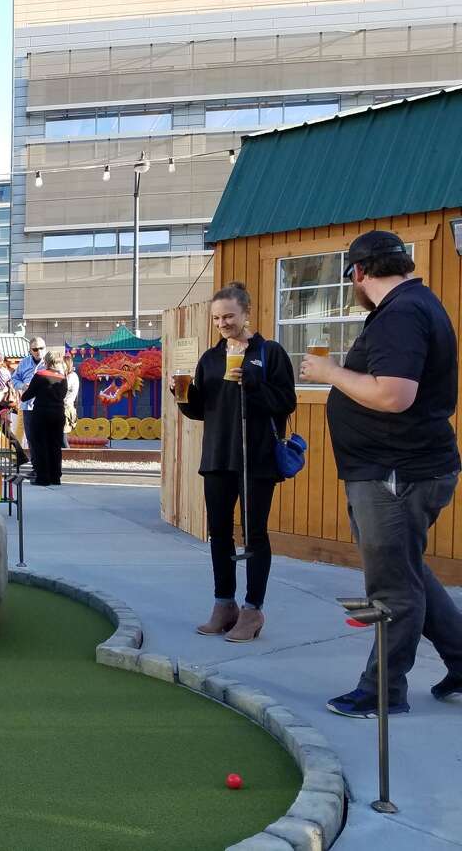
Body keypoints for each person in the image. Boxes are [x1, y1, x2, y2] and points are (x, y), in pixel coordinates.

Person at [300, 231, 462, 717]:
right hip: (400, 468)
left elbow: (394, 395)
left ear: (359, 273)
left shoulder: (401, 314)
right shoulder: (413, 305)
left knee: (393, 588)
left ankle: (383, 692)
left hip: (396, 473)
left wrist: (329, 373)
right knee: (407, 572)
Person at [172, 282, 296, 643]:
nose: (222, 323)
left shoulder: (270, 353)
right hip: (217, 456)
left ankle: (252, 610)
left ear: (246, 313)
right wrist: (184, 397)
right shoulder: (210, 358)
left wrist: (255, 384)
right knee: (220, 533)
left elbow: (286, 402)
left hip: (257, 458)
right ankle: (224, 605)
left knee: (254, 533)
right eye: (216, 318)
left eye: (228, 316)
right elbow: (203, 410)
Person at [19, 351, 70, 486]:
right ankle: (55, 477)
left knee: (41, 445)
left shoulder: (40, 375)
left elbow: (27, 396)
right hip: (58, 414)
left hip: (41, 414)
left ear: (46, 362)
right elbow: (63, 395)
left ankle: (43, 478)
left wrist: (24, 392)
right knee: (55, 445)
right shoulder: (63, 378)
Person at [11, 338, 46, 450]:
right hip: (27, 405)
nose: (38, 351)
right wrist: (23, 386)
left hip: (45, 406)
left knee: (44, 436)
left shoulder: (49, 362)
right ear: (30, 350)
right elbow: (14, 379)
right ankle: (34, 459)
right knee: (30, 437)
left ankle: (44, 459)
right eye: (35, 349)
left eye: (41, 348)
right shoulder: (24, 362)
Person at [62, 351, 80, 449]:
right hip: (67, 407)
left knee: (62, 436)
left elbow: (63, 389)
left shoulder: (71, 376)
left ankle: (68, 455)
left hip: (66, 408)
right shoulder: (71, 376)